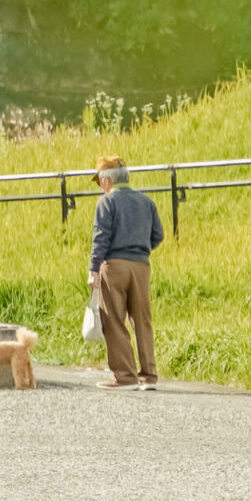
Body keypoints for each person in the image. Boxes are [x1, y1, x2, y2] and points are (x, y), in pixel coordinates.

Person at [89, 155, 163, 390]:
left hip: (114, 266)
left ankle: (125, 376)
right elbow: (158, 235)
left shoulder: (106, 203)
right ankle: (148, 376)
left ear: (108, 179)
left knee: (113, 320)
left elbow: (100, 238)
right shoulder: (146, 202)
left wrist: (93, 269)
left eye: (100, 181)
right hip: (141, 266)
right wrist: (140, 248)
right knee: (142, 320)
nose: (100, 186)